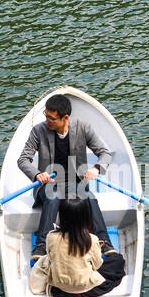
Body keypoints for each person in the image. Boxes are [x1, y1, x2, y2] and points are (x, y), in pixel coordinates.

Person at [17, 90, 116, 261]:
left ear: (65, 118)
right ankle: (41, 245)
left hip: (75, 184)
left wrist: (97, 169)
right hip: (48, 184)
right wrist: (38, 174)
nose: (47, 121)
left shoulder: (83, 128)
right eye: (46, 115)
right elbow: (23, 160)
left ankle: (104, 241)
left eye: (51, 118)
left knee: (89, 197)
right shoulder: (38, 131)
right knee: (53, 194)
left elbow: (105, 153)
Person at [29, 198, 126, 297]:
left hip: (59, 288)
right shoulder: (92, 240)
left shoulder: (51, 237)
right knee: (117, 260)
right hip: (86, 288)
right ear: (86, 217)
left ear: (62, 216)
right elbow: (97, 265)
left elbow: (50, 258)